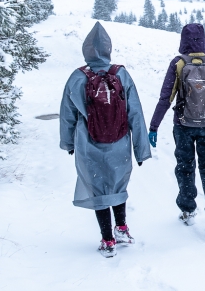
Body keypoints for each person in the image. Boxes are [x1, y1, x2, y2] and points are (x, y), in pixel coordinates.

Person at [60, 22, 152, 257]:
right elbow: (136, 114)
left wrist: (68, 143)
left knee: (98, 188)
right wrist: (141, 150)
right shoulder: (121, 74)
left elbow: (67, 115)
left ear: (86, 50)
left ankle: (107, 240)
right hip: (119, 142)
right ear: (108, 49)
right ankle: (121, 228)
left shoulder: (77, 77)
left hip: (88, 143)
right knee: (118, 184)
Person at [149, 23, 205, 240]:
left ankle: (187, 209)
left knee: (185, 167)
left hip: (183, 125)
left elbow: (165, 98)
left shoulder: (178, 64)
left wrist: (154, 126)